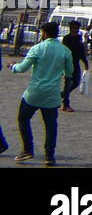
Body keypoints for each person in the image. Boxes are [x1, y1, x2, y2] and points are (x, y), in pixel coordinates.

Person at [9, 21, 73, 164]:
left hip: (34, 92)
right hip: (52, 94)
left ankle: (27, 149)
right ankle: (49, 156)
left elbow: (22, 68)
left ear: (44, 33)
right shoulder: (65, 51)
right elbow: (69, 72)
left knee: (23, 119)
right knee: (51, 125)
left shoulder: (37, 48)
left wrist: (13, 66)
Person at [60, 21, 90, 112]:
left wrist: (85, 62)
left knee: (76, 82)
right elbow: (65, 51)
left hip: (76, 63)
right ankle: (66, 104)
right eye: (75, 28)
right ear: (71, 28)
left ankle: (61, 95)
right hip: (68, 63)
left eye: (77, 28)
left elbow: (81, 51)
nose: (76, 30)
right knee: (68, 83)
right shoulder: (67, 38)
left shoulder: (78, 38)